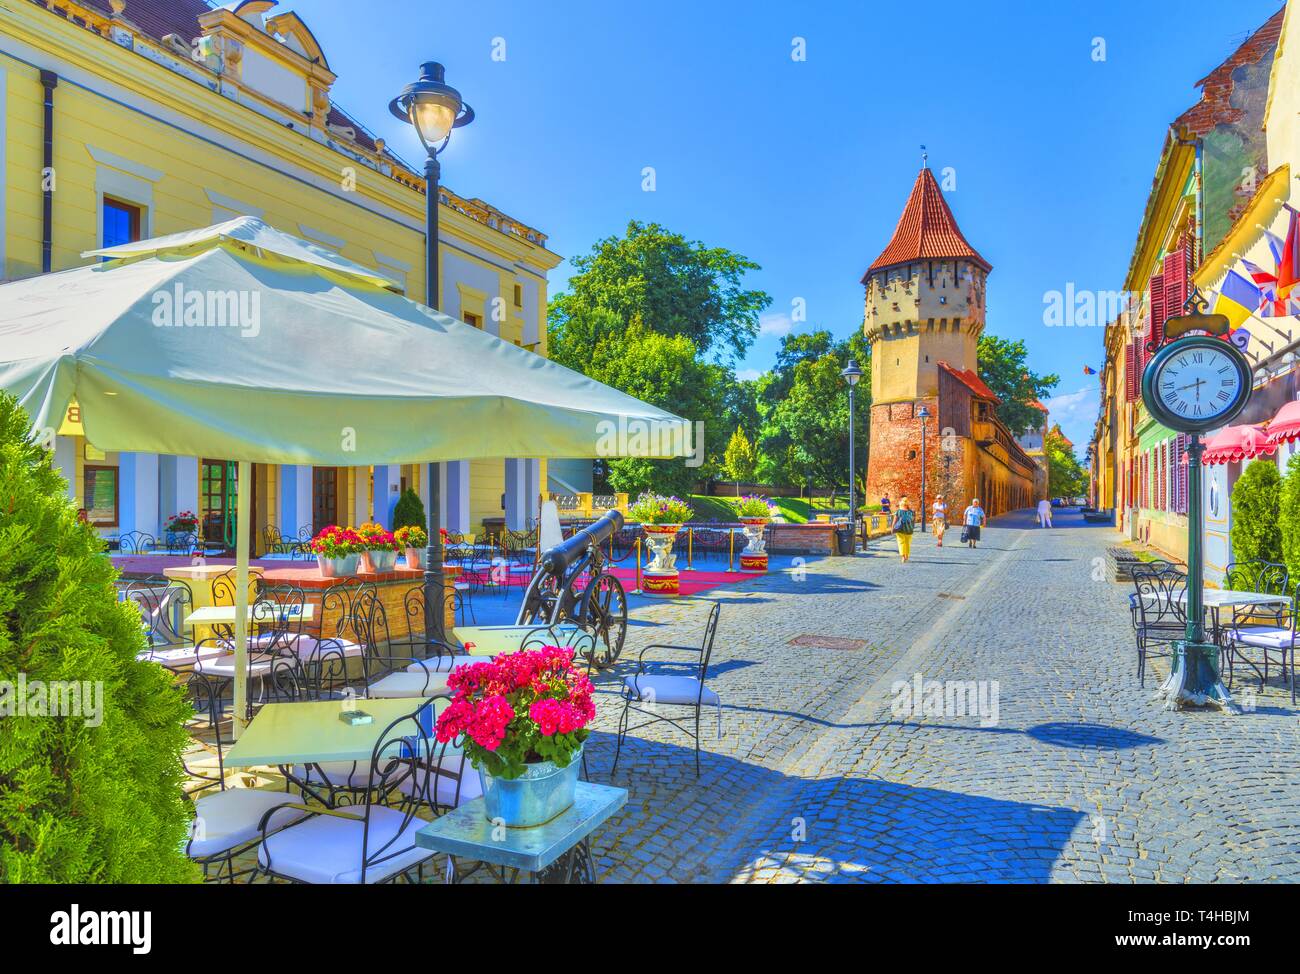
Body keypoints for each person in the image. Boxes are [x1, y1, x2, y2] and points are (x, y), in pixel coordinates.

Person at [892, 495, 915, 562]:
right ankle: (907, 555)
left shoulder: (898, 511)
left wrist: (892, 528)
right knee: (907, 543)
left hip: (900, 530)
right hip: (909, 530)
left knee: (901, 543)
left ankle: (903, 556)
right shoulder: (911, 512)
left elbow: (894, 521)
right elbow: (913, 520)